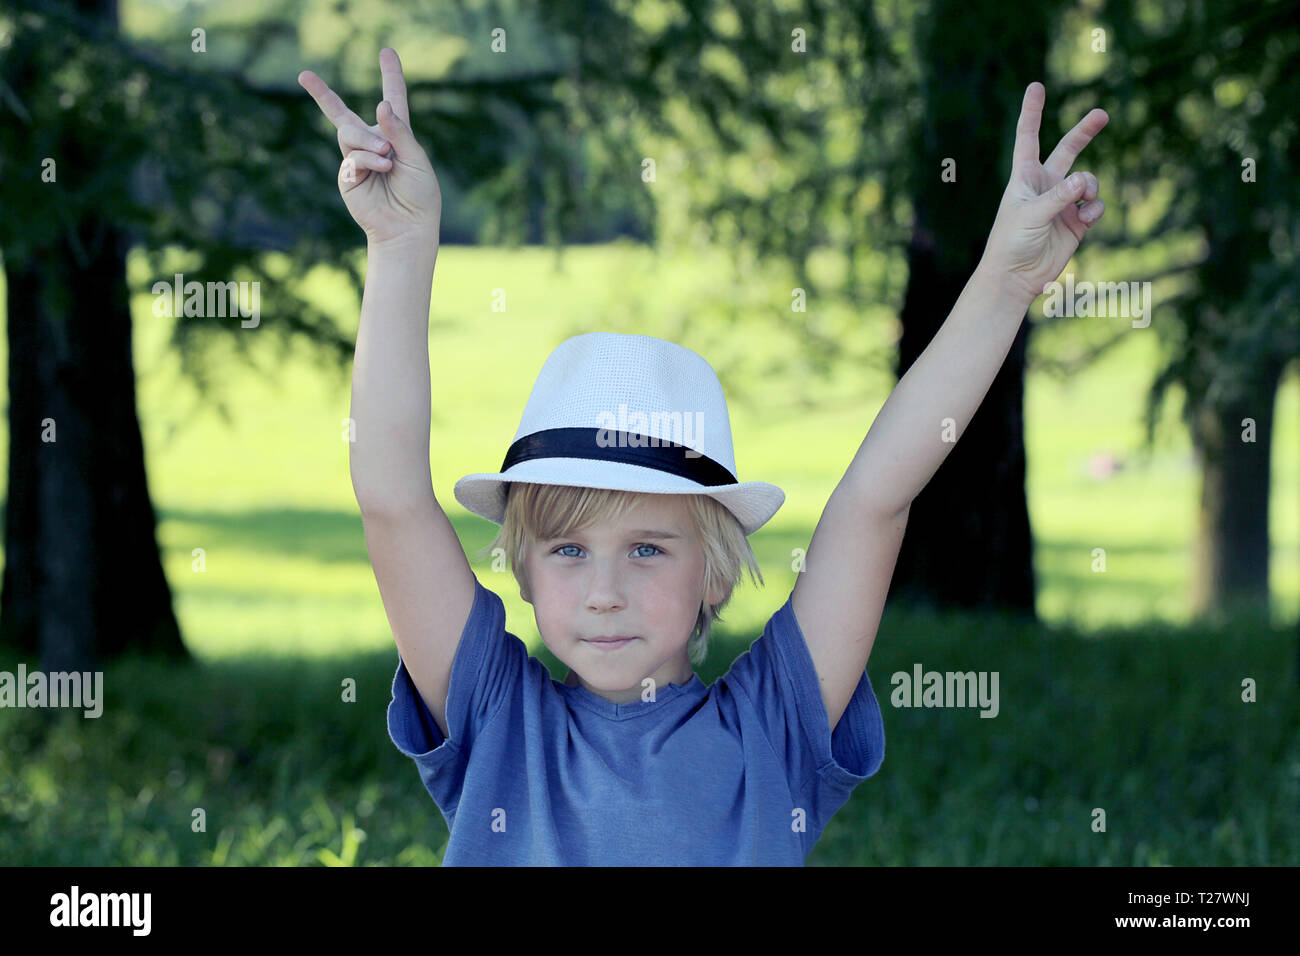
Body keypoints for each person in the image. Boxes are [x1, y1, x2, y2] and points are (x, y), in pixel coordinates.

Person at [299, 49, 1108, 865]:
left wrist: (1005, 284)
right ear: (523, 571)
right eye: (569, 551)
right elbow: (393, 498)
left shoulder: (775, 723)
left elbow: (875, 499)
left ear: (715, 572)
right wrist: (402, 247)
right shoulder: (496, 716)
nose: (604, 594)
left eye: (647, 549)